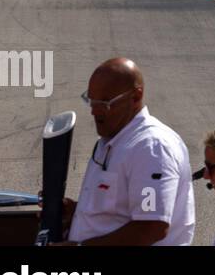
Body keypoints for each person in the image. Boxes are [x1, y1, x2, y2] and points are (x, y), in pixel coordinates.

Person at [62, 57, 195, 246]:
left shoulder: (152, 149)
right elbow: (117, 212)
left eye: (105, 102)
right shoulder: (112, 139)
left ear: (135, 97)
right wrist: (77, 212)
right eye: (91, 101)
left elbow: (151, 227)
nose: (94, 111)